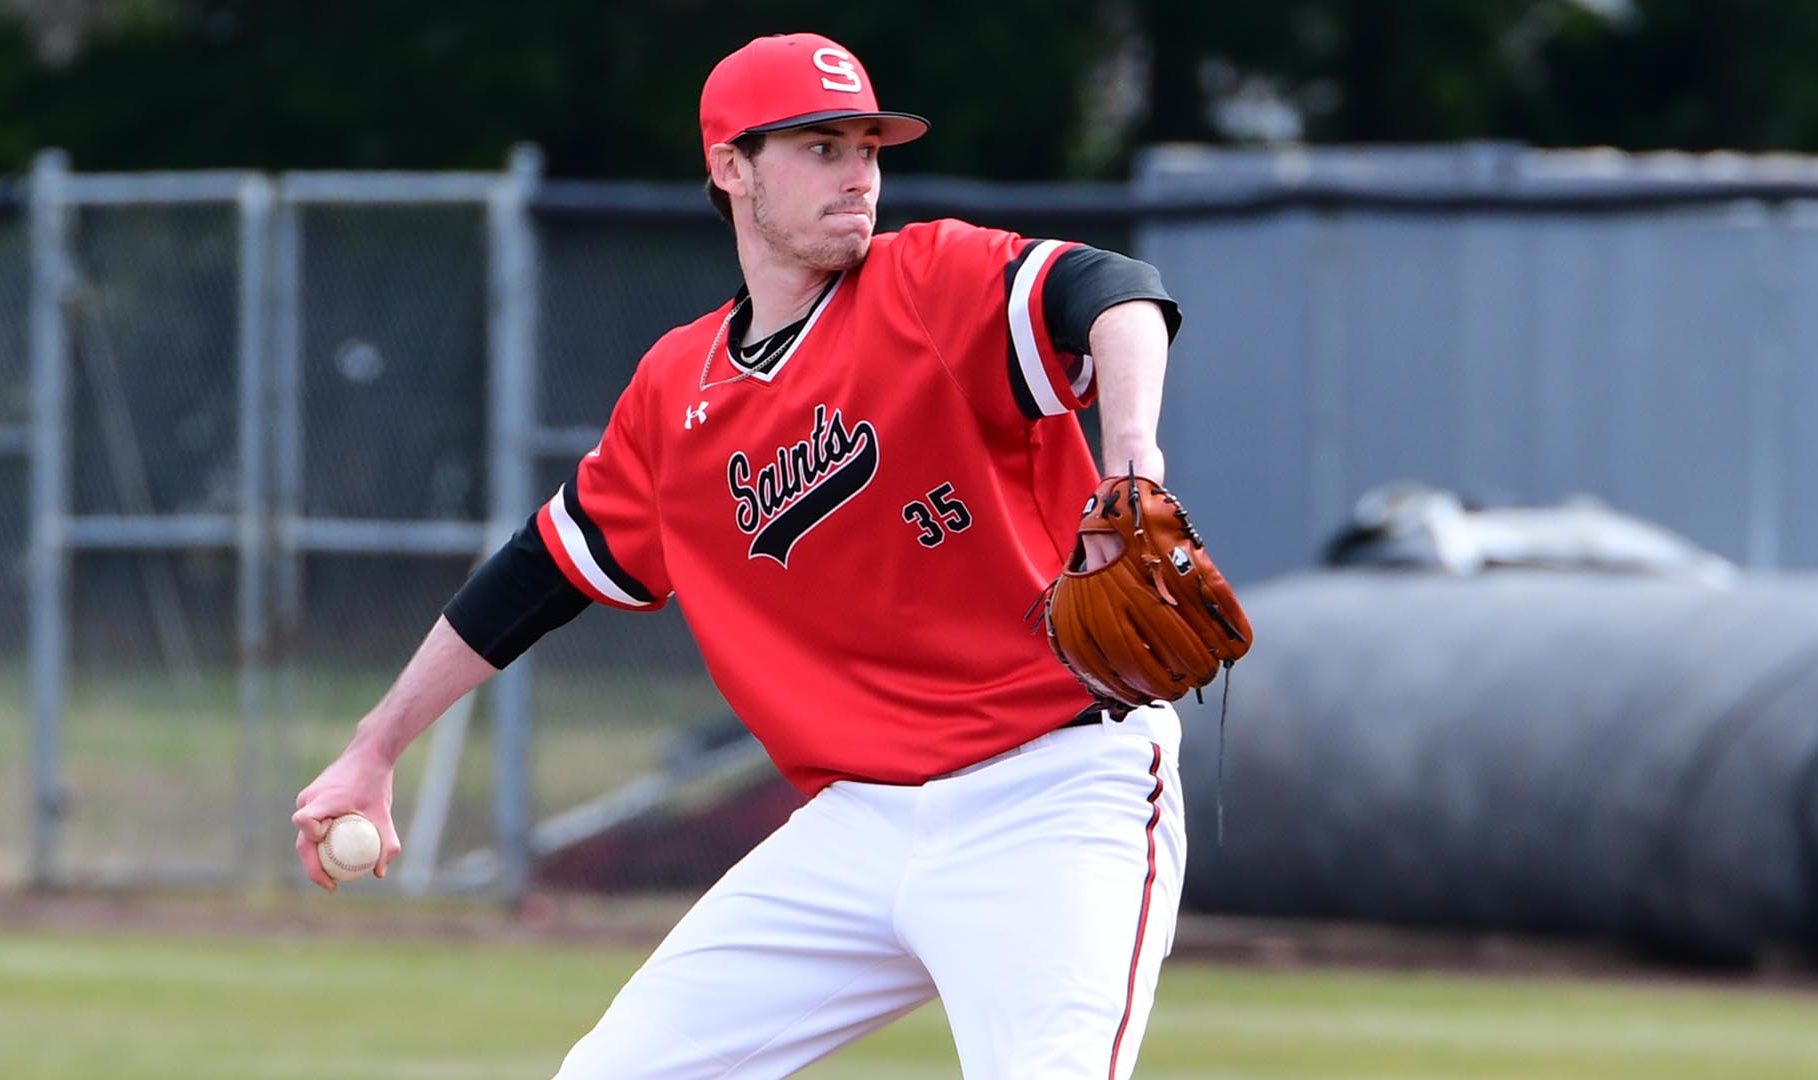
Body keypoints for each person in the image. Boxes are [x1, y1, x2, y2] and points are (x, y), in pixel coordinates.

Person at [294, 31, 1188, 1079]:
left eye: (868, 147)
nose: (858, 174)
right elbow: (537, 574)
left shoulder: (930, 281)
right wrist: (376, 746)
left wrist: (1133, 462)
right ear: (731, 167)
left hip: (1054, 795)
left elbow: (1117, 292)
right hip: (859, 823)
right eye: (821, 147)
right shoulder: (676, 390)